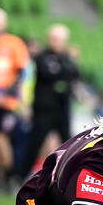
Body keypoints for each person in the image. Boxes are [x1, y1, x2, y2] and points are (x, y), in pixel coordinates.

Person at [18, 24, 80, 178]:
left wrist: (68, 65)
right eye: (54, 38)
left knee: (70, 144)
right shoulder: (42, 57)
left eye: (60, 39)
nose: (56, 42)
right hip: (43, 108)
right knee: (35, 143)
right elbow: (50, 73)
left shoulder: (67, 59)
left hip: (62, 108)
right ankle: (19, 175)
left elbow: (75, 74)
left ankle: (72, 175)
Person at [0, 7, 30, 189]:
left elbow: (21, 72)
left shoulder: (14, 43)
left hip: (5, 102)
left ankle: (11, 175)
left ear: (4, 23)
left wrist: (10, 95)